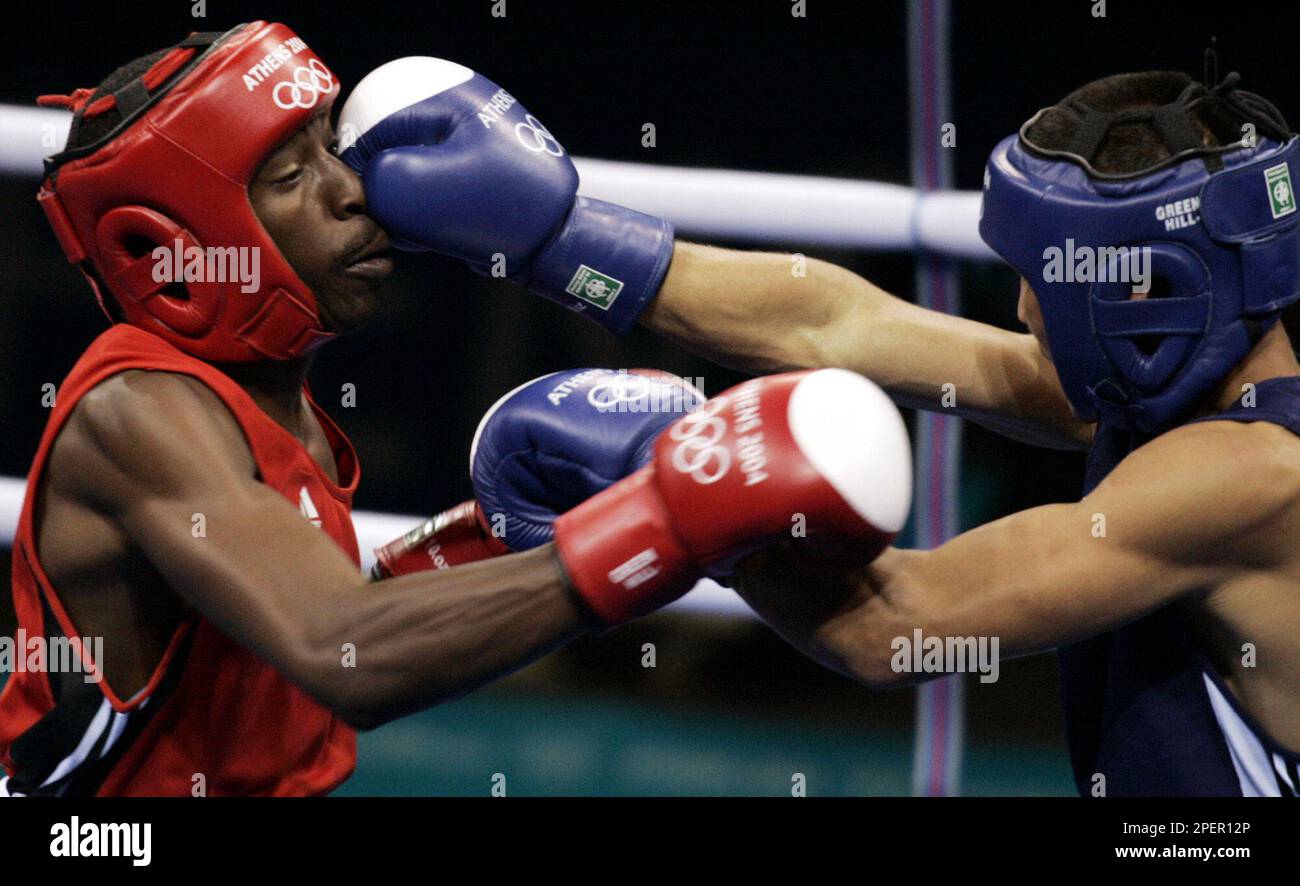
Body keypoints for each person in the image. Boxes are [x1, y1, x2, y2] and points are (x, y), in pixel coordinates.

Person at [0, 22, 911, 796]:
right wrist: (666, 522)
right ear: (172, 248)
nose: (352, 187)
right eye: (289, 175)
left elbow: (296, 643)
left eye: (327, 142)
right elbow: (337, 649)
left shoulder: (263, 398)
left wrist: (499, 540)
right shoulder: (140, 411)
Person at [344, 59, 1300, 795]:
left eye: (1047, 281)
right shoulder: (1186, 389)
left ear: (1148, 295)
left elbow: (900, 625)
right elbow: (840, 324)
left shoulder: (1247, 478)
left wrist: (678, 478)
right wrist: (559, 240)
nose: (1021, 310)